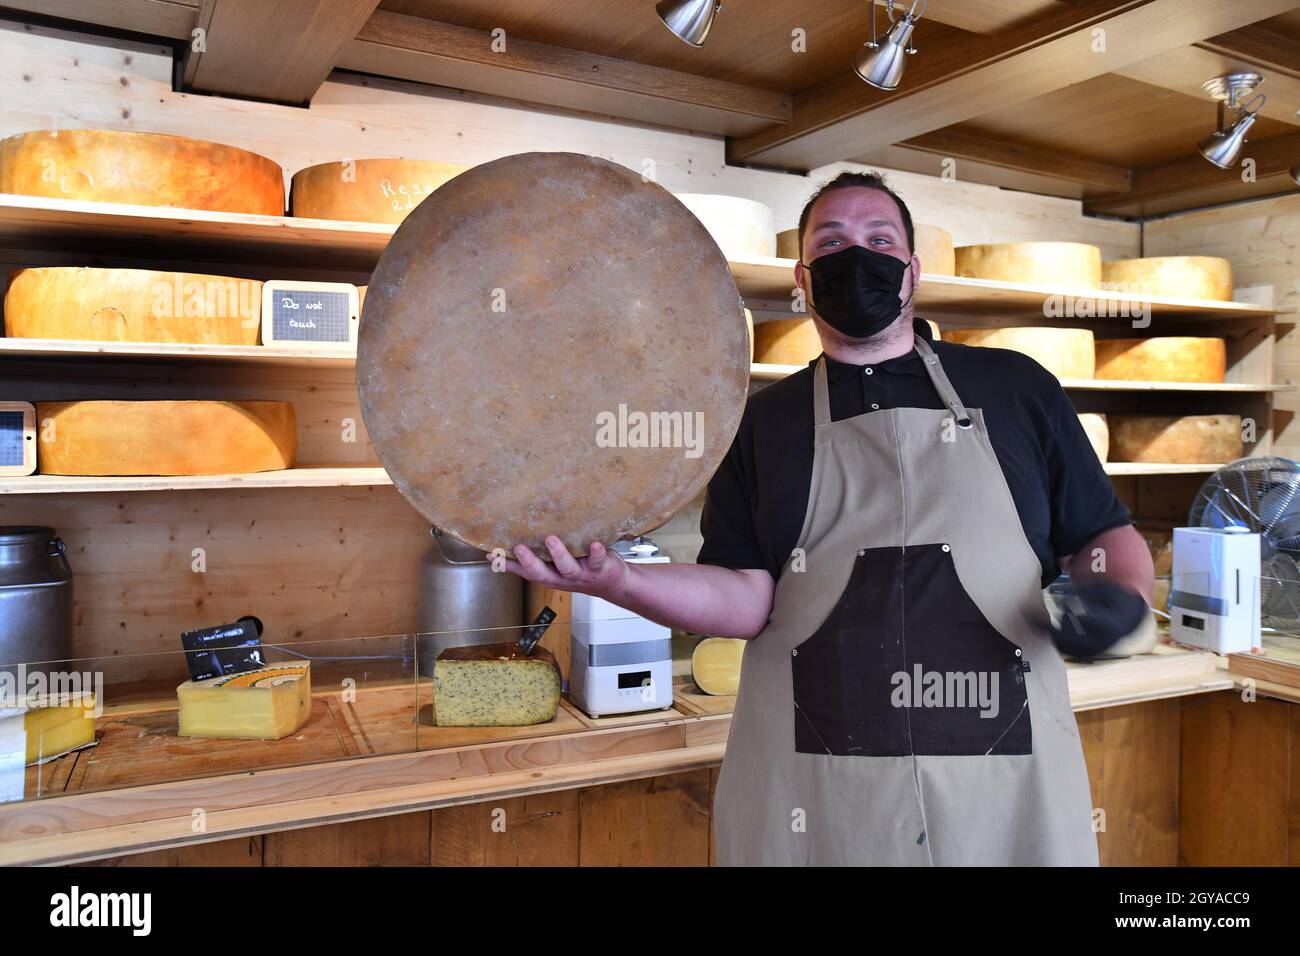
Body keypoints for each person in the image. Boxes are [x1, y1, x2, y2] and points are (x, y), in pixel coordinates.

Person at [499, 170, 1154, 866]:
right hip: (823, 789)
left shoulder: (1016, 386)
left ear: (912, 269)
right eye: (833, 242)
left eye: (880, 239)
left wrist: (1121, 594)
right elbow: (747, 597)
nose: (858, 257)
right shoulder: (761, 424)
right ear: (803, 278)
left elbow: (1101, 534)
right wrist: (621, 581)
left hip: (1002, 783)